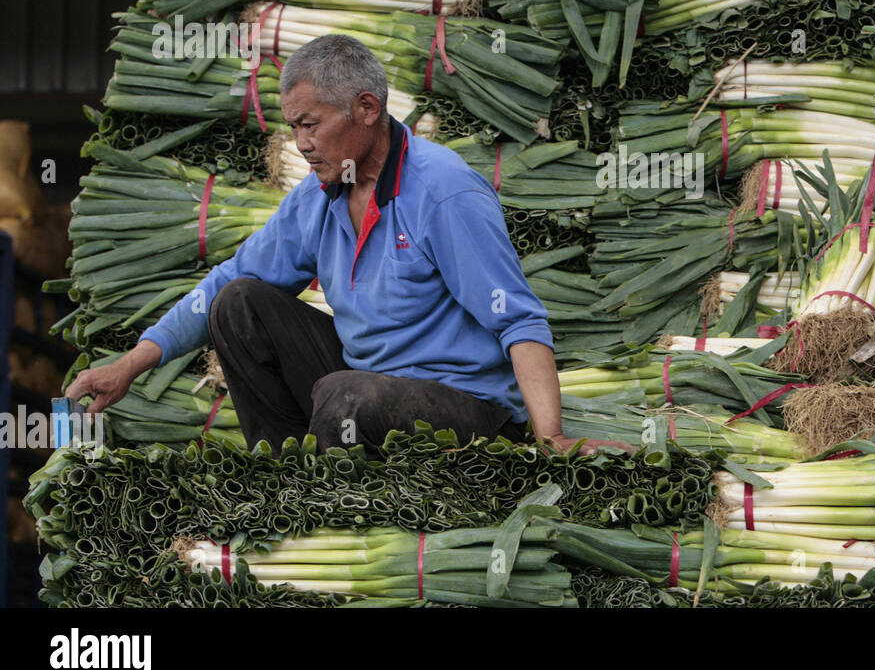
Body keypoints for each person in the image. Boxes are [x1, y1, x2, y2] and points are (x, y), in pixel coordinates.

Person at [67, 35, 630, 458]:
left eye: (310, 125)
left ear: (366, 109)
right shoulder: (321, 194)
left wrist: (550, 437)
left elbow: (521, 321)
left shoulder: (442, 190)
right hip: (365, 381)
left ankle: (324, 493)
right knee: (238, 302)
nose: (302, 145)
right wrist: (134, 362)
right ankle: (289, 474)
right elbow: (227, 278)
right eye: (293, 128)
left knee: (346, 396)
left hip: (463, 404)